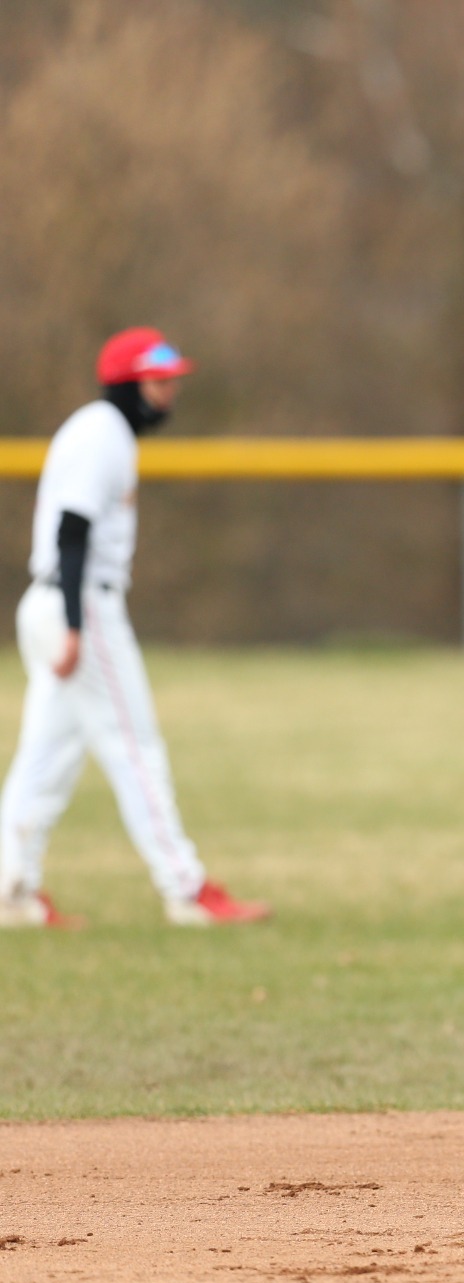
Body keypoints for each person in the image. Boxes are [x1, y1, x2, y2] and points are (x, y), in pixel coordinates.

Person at [0, 329, 268, 928]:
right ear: (128, 383)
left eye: (171, 380)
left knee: (47, 756)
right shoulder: (103, 434)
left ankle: (10, 890)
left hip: (55, 603)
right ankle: (186, 888)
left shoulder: (101, 431)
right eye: (158, 380)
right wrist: (74, 625)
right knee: (135, 749)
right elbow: (73, 532)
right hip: (80, 608)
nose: (169, 392)